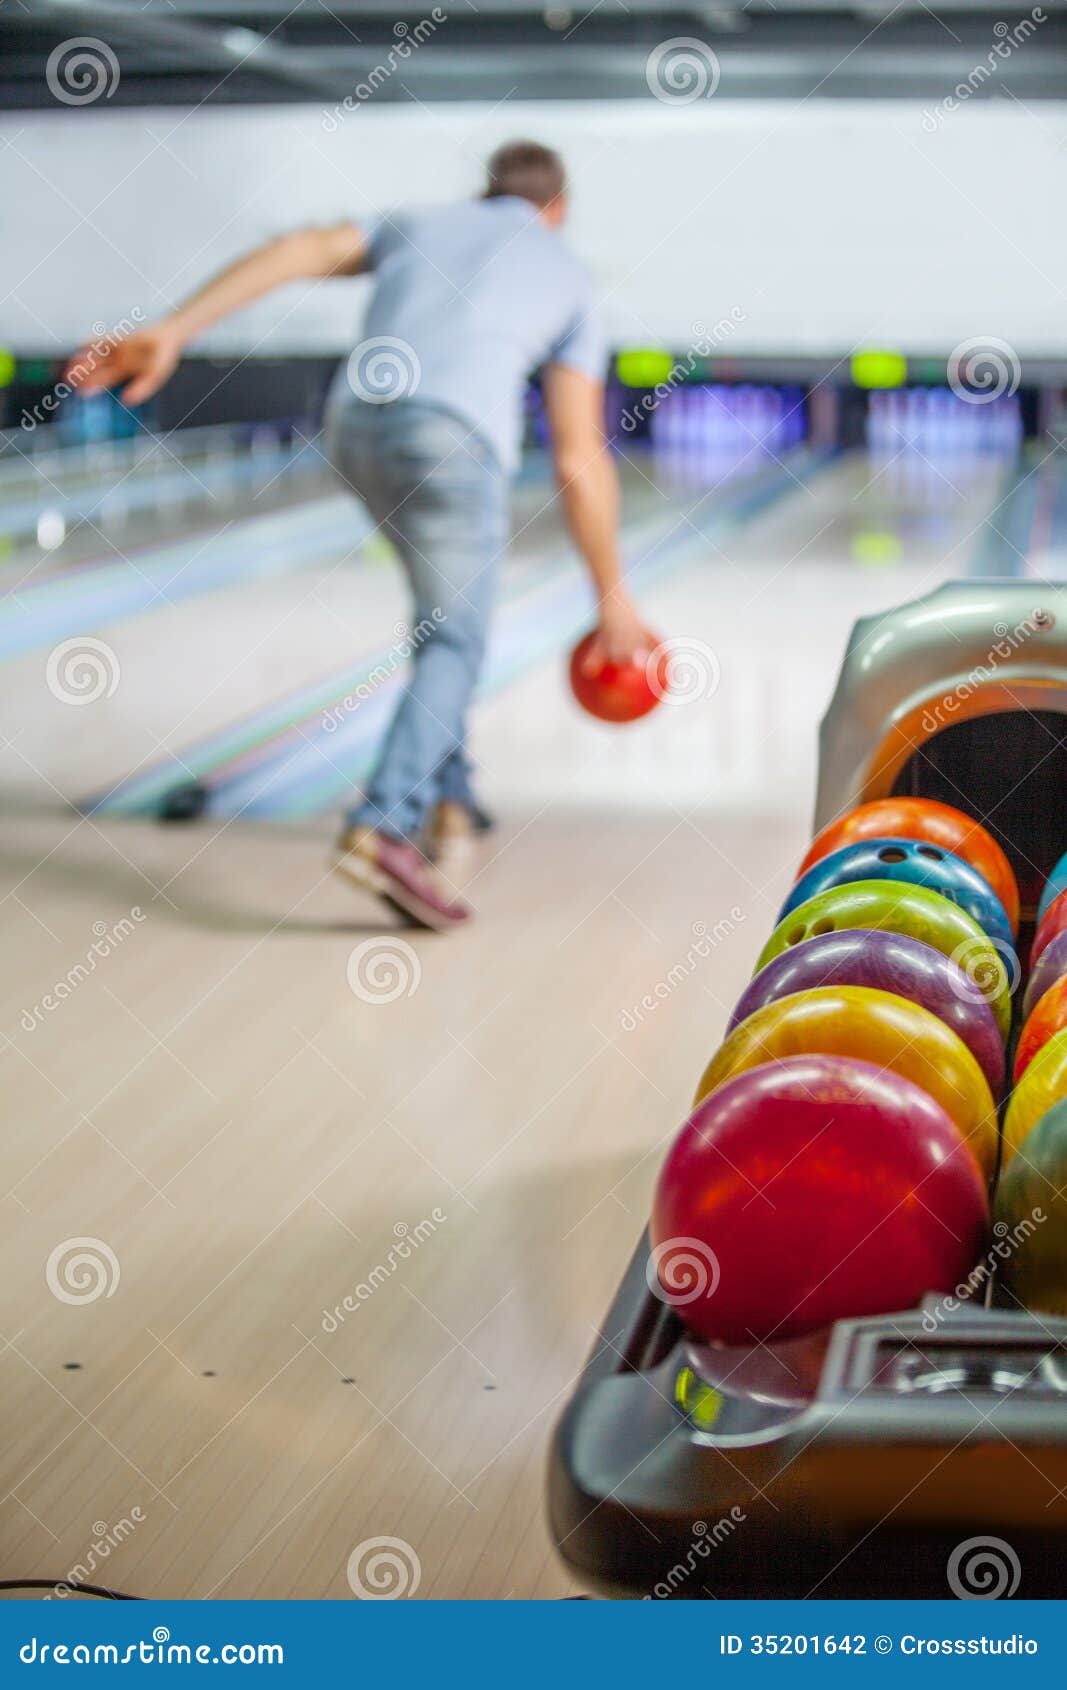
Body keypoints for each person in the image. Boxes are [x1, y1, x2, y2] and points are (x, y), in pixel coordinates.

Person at [69, 139, 655, 930]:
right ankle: (384, 825)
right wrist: (612, 595)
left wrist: (175, 327)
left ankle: (450, 795)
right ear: (557, 210)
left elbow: (297, 251)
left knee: (438, 617)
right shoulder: (568, 276)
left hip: (353, 427)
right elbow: (578, 457)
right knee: (456, 642)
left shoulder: (418, 222)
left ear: (486, 194)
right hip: (452, 444)